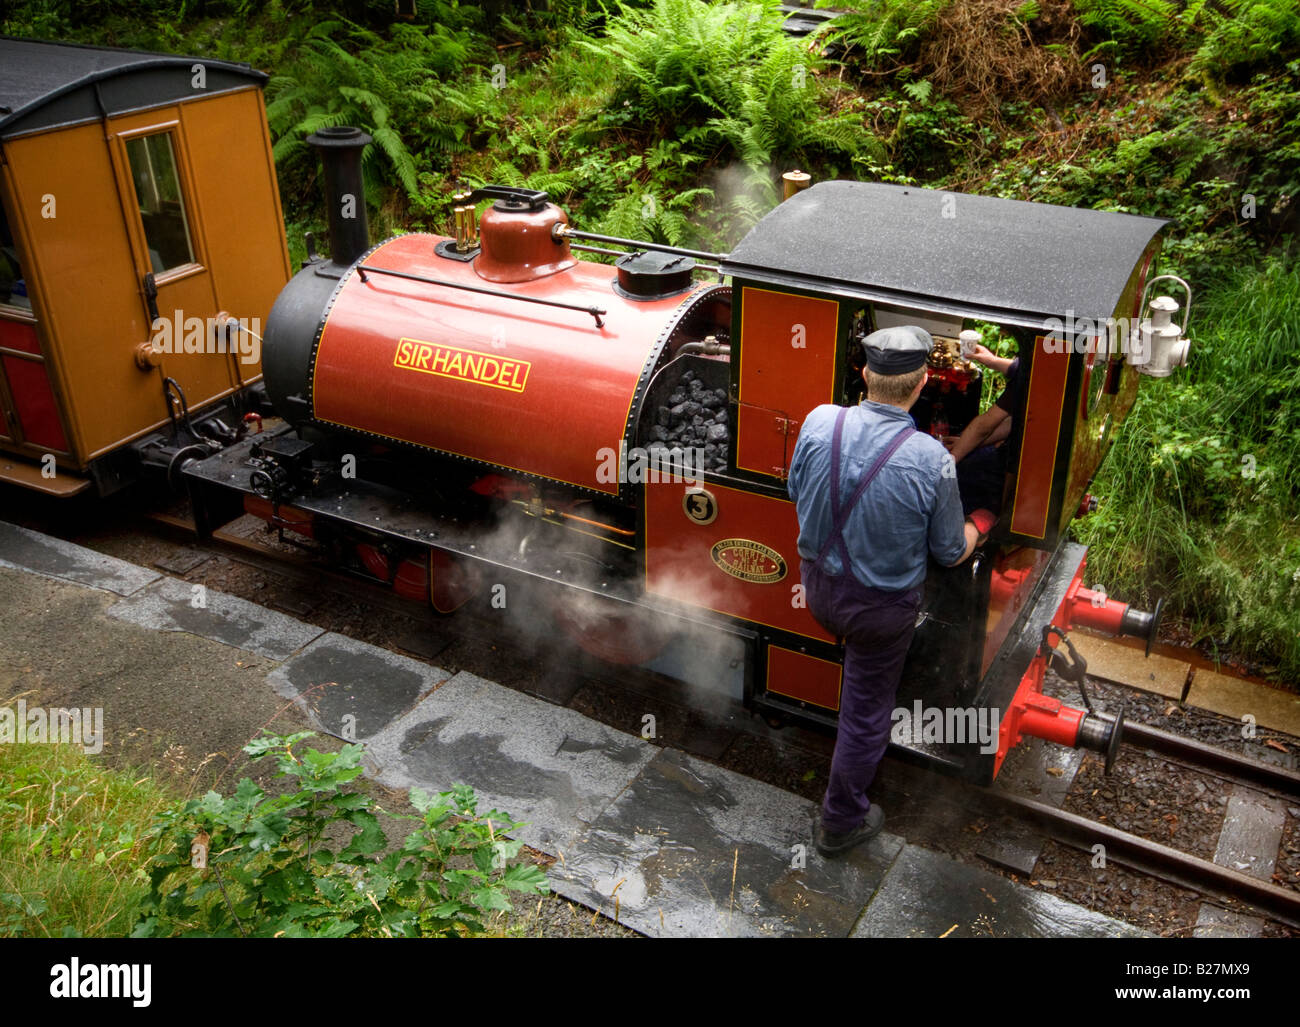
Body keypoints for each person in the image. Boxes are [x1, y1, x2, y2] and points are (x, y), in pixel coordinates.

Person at [787, 326, 993, 858]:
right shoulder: (931, 458)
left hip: (816, 591)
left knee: (858, 690)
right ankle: (840, 821)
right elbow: (950, 551)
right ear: (923, 383)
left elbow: (795, 491)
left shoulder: (817, 421)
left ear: (863, 376)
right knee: (865, 713)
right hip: (880, 614)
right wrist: (981, 522)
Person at [947, 341, 1021, 515]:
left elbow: (984, 426)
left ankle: (972, 527)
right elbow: (1014, 421)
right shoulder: (1041, 360)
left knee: (961, 473)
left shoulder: (1034, 369)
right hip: (1014, 446)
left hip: (1016, 463)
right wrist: (993, 361)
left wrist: (948, 461)